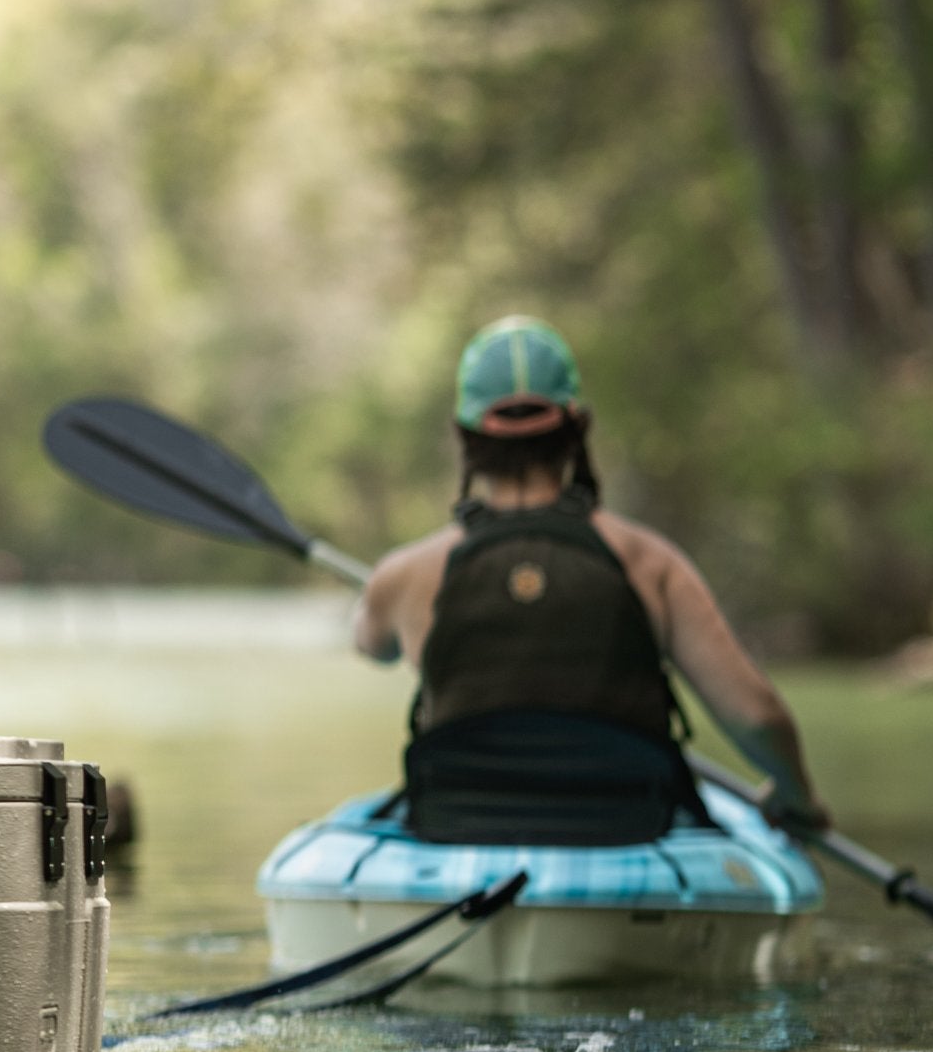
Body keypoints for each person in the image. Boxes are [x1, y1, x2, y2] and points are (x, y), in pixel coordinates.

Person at [351, 316, 829, 845]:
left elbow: (372, 646)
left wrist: (382, 605)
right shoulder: (650, 563)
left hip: (457, 819)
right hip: (627, 825)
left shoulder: (405, 576)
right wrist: (796, 798)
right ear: (576, 428)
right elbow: (757, 717)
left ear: (465, 436)